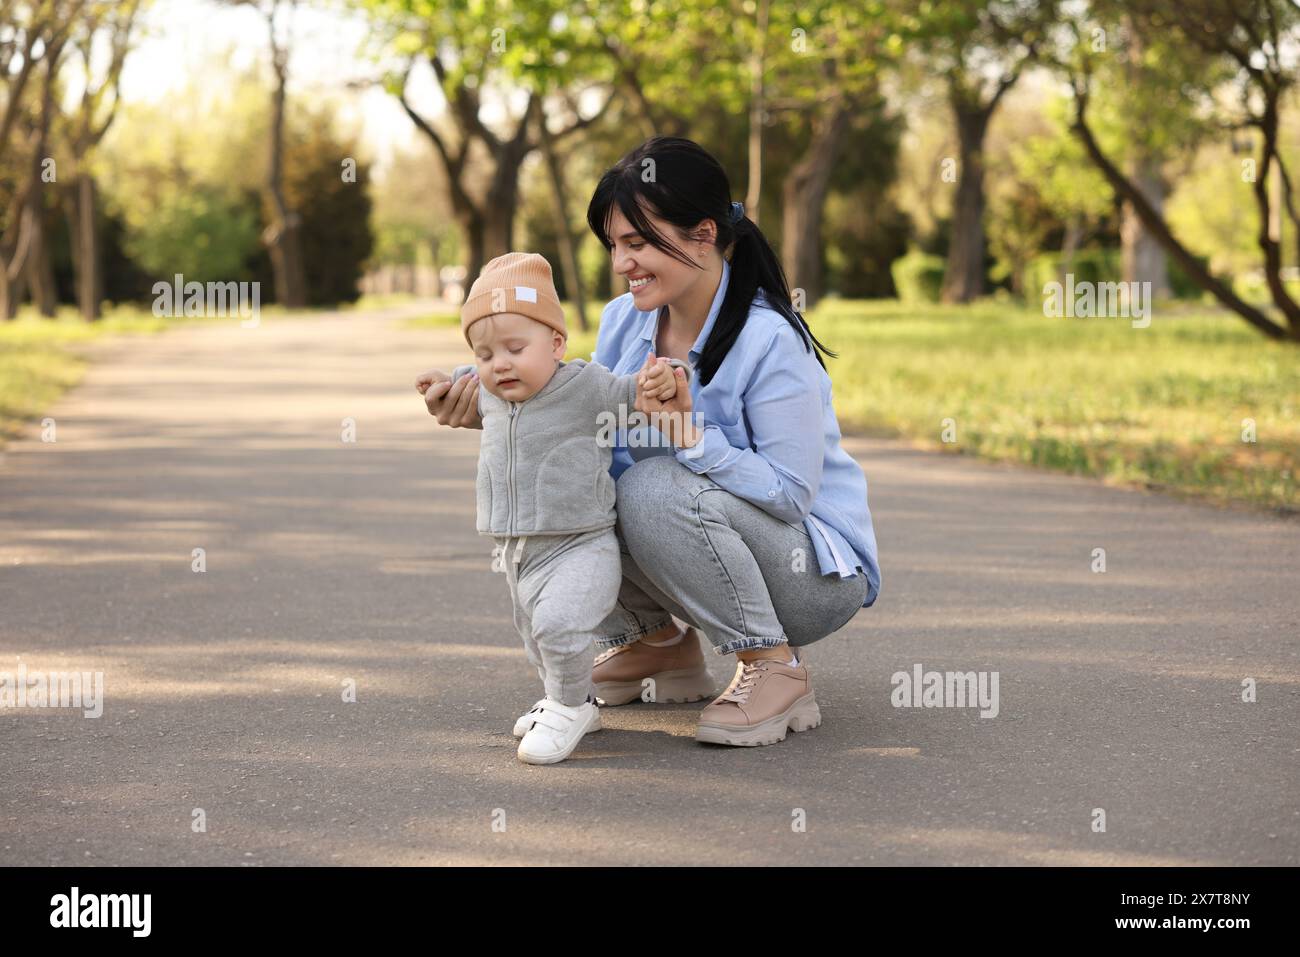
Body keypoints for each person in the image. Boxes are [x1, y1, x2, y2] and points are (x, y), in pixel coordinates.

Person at [418, 136, 880, 749]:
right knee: (574, 480)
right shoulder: (625, 320)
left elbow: (791, 495)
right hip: (704, 545)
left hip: (808, 576)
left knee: (651, 486)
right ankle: (655, 643)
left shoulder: (770, 339)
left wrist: (691, 437)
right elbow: (579, 412)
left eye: (637, 242)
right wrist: (489, 400)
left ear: (703, 234)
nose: (620, 262)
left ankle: (774, 666)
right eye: (614, 245)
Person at [425, 251, 685, 765]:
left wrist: (666, 377)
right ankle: (570, 699)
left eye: (516, 348)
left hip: (579, 542)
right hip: (518, 550)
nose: (500, 364)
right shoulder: (495, 394)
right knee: (535, 636)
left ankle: (568, 709)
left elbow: (634, 392)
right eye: (484, 353)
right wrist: (439, 386)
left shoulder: (585, 387)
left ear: (556, 343)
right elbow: (461, 394)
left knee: (560, 626)